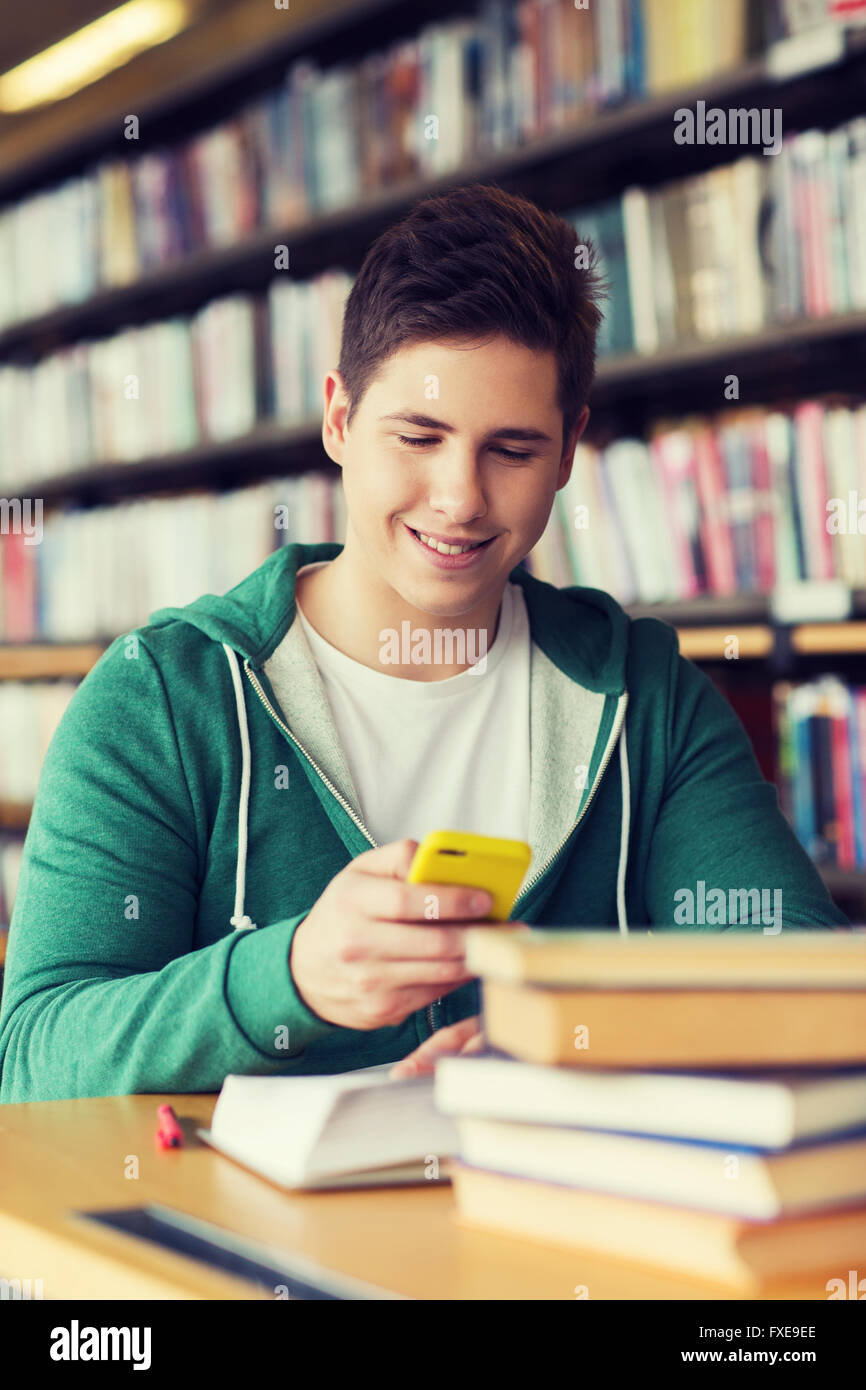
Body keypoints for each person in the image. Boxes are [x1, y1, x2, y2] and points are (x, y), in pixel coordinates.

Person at [0, 183, 847, 1103]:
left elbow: (801, 985)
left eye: (512, 451)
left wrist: (573, 1034)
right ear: (338, 419)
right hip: (230, 1247)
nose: (459, 498)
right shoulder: (163, 696)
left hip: (551, 1234)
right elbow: (36, 1058)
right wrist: (288, 980)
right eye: (419, 435)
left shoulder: (645, 695)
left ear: (569, 452)